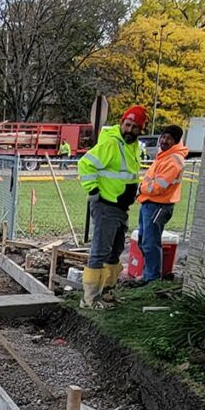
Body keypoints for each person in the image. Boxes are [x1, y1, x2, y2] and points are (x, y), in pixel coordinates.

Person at [76, 105, 145, 309]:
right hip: (106, 205)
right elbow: (85, 164)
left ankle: (107, 291)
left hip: (120, 207)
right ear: (122, 123)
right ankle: (90, 298)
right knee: (100, 251)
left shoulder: (132, 146)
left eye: (134, 126)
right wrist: (92, 189)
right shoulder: (111, 143)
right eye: (127, 124)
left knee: (115, 251)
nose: (129, 129)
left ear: (140, 129)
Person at [135, 123, 187, 284]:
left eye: (169, 138)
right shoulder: (164, 156)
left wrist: (141, 188)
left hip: (158, 205)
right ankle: (148, 274)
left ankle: (152, 279)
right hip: (149, 203)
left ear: (175, 141)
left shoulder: (173, 160)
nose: (164, 140)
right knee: (144, 240)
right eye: (163, 137)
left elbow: (158, 187)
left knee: (150, 243)